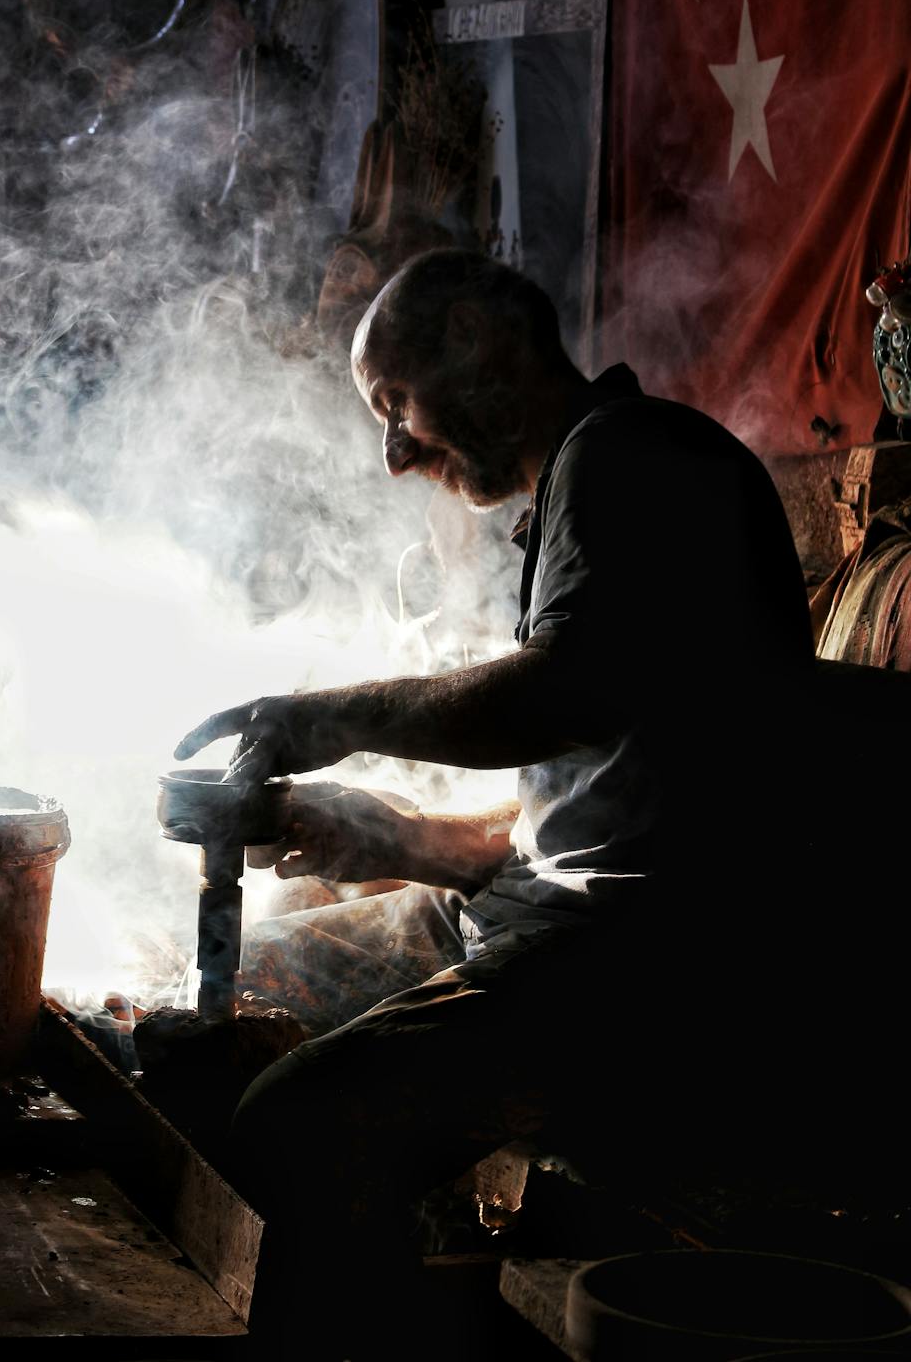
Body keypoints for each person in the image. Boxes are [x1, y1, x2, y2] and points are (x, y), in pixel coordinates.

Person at [174, 249, 818, 1358]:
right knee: (218, 1001)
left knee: (295, 1124)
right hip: (559, 920)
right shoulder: (579, 481)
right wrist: (398, 834)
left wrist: (325, 719)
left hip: (650, 963)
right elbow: (594, 811)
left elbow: (566, 695)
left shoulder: (631, 454)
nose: (392, 453)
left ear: (473, 337)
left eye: (394, 404)